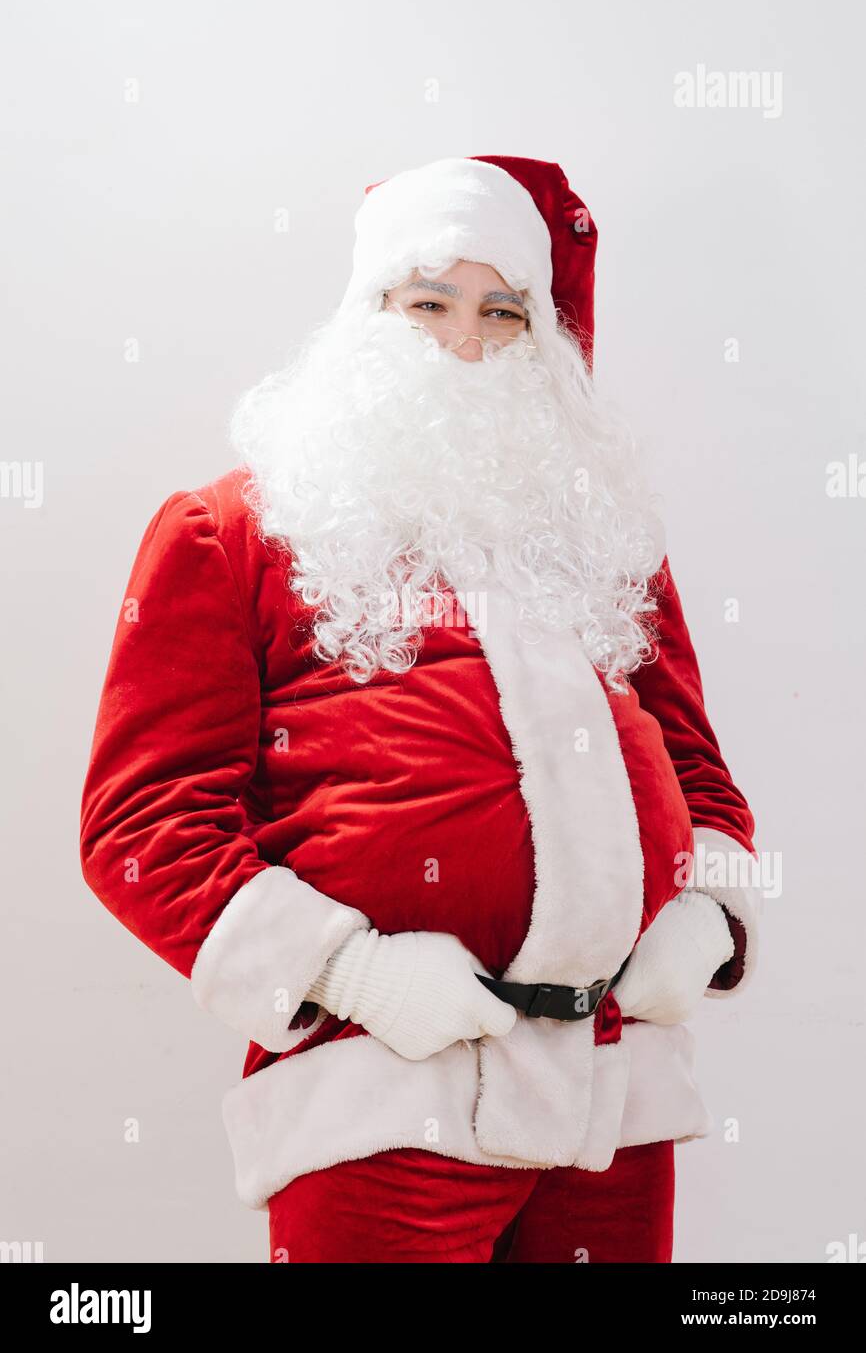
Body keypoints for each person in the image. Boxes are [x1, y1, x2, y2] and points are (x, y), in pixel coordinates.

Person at [79, 155, 762, 1264]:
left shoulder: (601, 540)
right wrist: (350, 973)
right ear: (366, 316)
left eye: (502, 312)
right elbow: (141, 827)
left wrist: (707, 919)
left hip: (614, 1094)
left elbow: (699, 774)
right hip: (386, 1103)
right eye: (429, 301)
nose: (464, 339)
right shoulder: (230, 533)